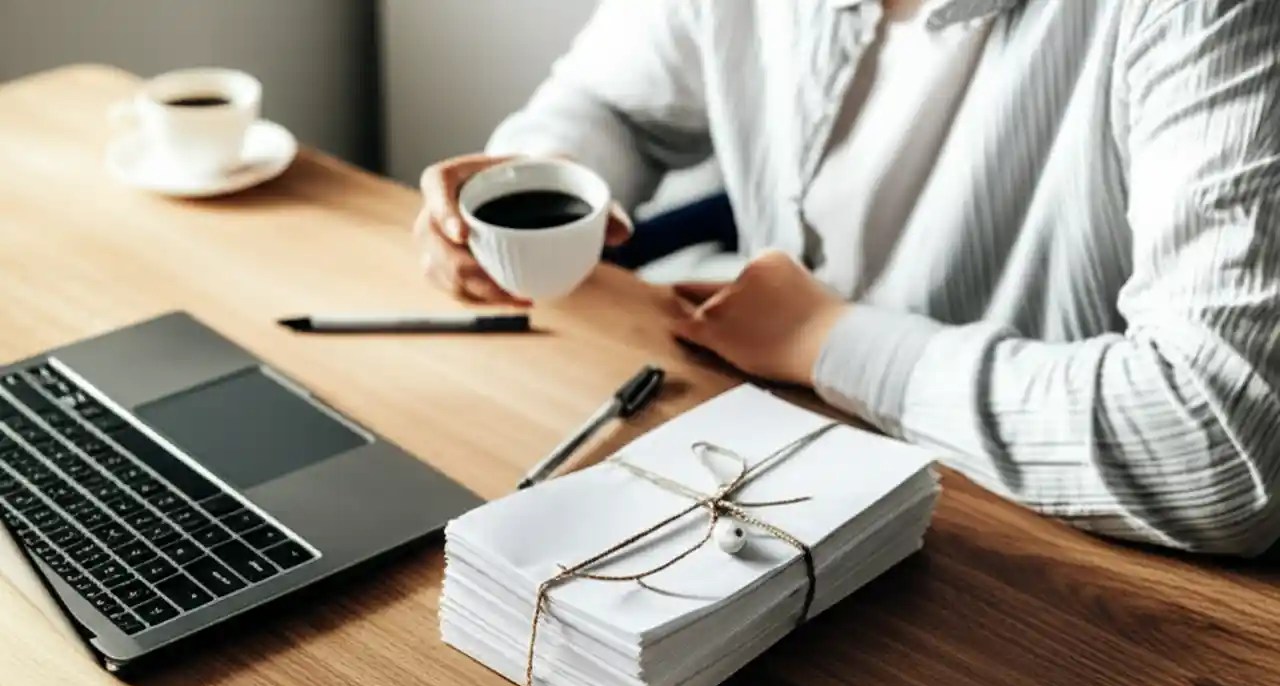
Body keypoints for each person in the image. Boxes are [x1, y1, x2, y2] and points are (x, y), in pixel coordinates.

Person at [414, 0, 1280, 557]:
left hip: (1054, 544)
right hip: (774, 480)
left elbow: (1222, 441)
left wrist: (826, 340)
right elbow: (611, 104)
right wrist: (537, 175)